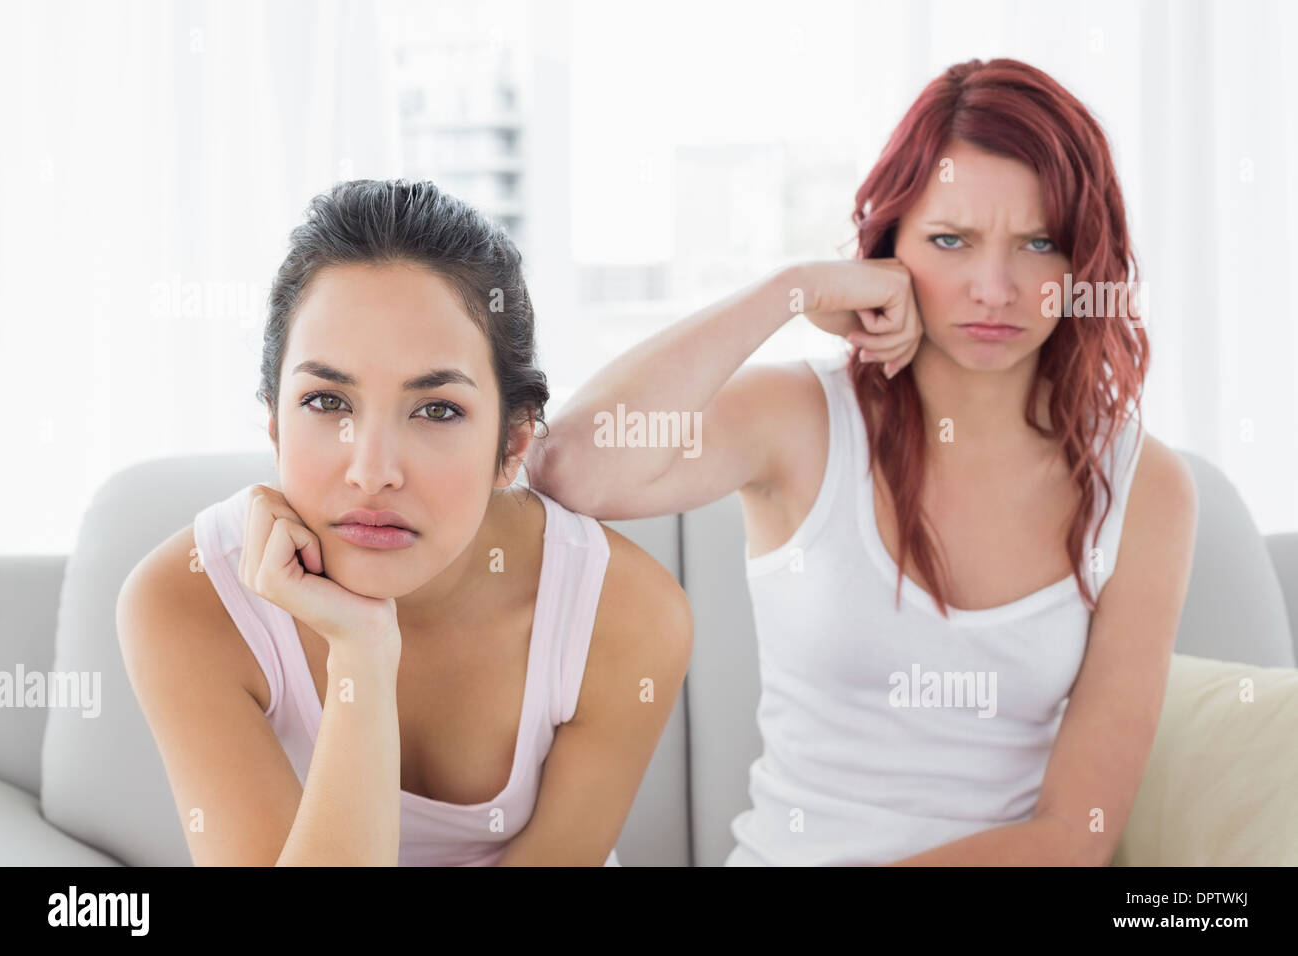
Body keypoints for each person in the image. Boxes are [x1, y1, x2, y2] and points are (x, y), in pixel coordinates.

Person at [526, 57, 1197, 866]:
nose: (994, 287)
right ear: (892, 246)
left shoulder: (1146, 488)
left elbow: (1071, 837)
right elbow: (571, 467)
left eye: (1039, 243)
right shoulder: (803, 421)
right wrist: (793, 289)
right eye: (950, 240)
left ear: (1083, 260)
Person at [117, 179, 692, 866]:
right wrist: (361, 651)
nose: (372, 470)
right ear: (273, 422)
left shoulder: (624, 615)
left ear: (512, 444)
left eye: (437, 410)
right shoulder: (186, 601)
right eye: (327, 401)